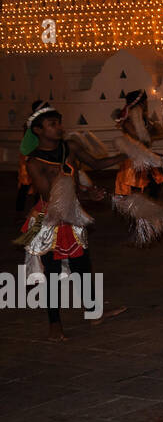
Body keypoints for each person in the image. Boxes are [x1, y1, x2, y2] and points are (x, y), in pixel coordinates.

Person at [18, 102, 127, 340]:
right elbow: (49, 195)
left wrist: (131, 152)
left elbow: (97, 164)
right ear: (38, 130)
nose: (59, 128)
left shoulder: (71, 147)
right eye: (52, 124)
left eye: (59, 123)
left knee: (82, 266)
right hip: (50, 219)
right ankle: (54, 323)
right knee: (52, 271)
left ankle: (93, 312)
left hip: (72, 215)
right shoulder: (34, 162)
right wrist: (86, 194)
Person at [112, 90, 163, 197]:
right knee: (133, 186)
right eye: (145, 102)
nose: (146, 104)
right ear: (139, 103)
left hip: (144, 155)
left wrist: (157, 130)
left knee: (154, 183)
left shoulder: (143, 119)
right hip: (133, 158)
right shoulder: (127, 121)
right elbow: (138, 138)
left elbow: (147, 137)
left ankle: (150, 206)